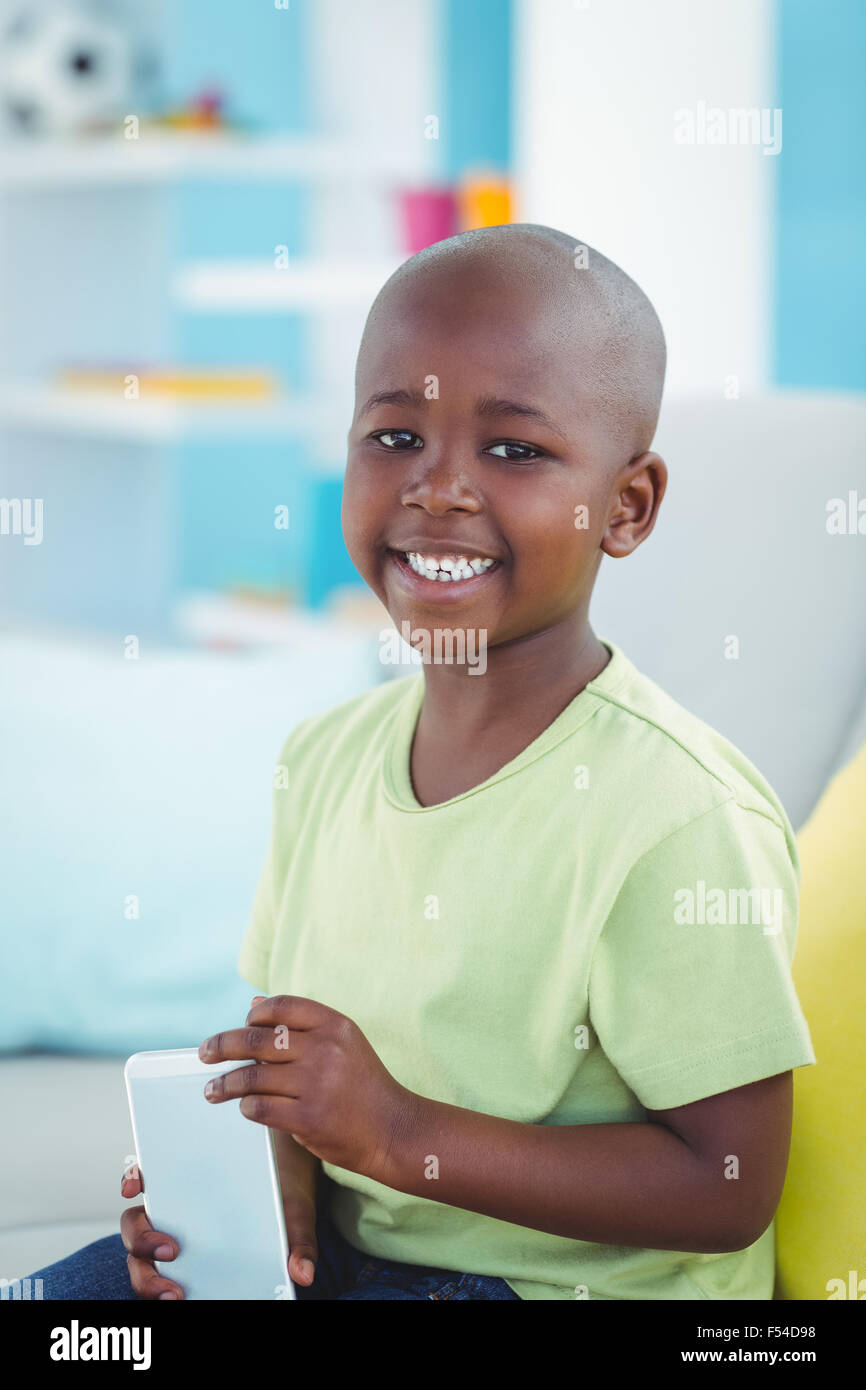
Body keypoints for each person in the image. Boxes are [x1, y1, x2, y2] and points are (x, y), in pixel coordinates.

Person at [30, 224, 815, 1301]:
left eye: (513, 450)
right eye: (394, 437)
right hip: (357, 1268)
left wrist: (400, 1132)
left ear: (624, 507)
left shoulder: (676, 812)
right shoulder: (322, 760)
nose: (437, 490)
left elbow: (725, 1184)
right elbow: (295, 1081)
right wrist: (269, 1210)